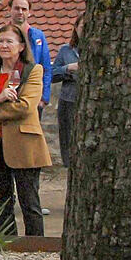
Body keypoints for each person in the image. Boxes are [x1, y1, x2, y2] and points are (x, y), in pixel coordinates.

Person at [0, 24, 52, 236]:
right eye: (1, 41)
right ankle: (8, 245)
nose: (4, 45)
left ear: (21, 46)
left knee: (29, 201)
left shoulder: (33, 71)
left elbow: (25, 106)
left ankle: (35, 246)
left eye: (9, 41)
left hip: (24, 145)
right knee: (2, 202)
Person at [0, 0, 52, 111]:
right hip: (3, 91)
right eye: (16, 8)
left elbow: (46, 67)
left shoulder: (38, 36)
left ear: (29, 12)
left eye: (24, 9)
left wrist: (44, 98)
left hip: (31, 90)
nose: (20, 12)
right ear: (9, 10)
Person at [52, 16, 84, 169]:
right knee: (67, 136)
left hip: (87, 101)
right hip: (68, 100)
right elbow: (52, 74)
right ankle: (68, 166)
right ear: (76, 28)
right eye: (82, 26)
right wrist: (68, 68)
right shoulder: (66, 50)